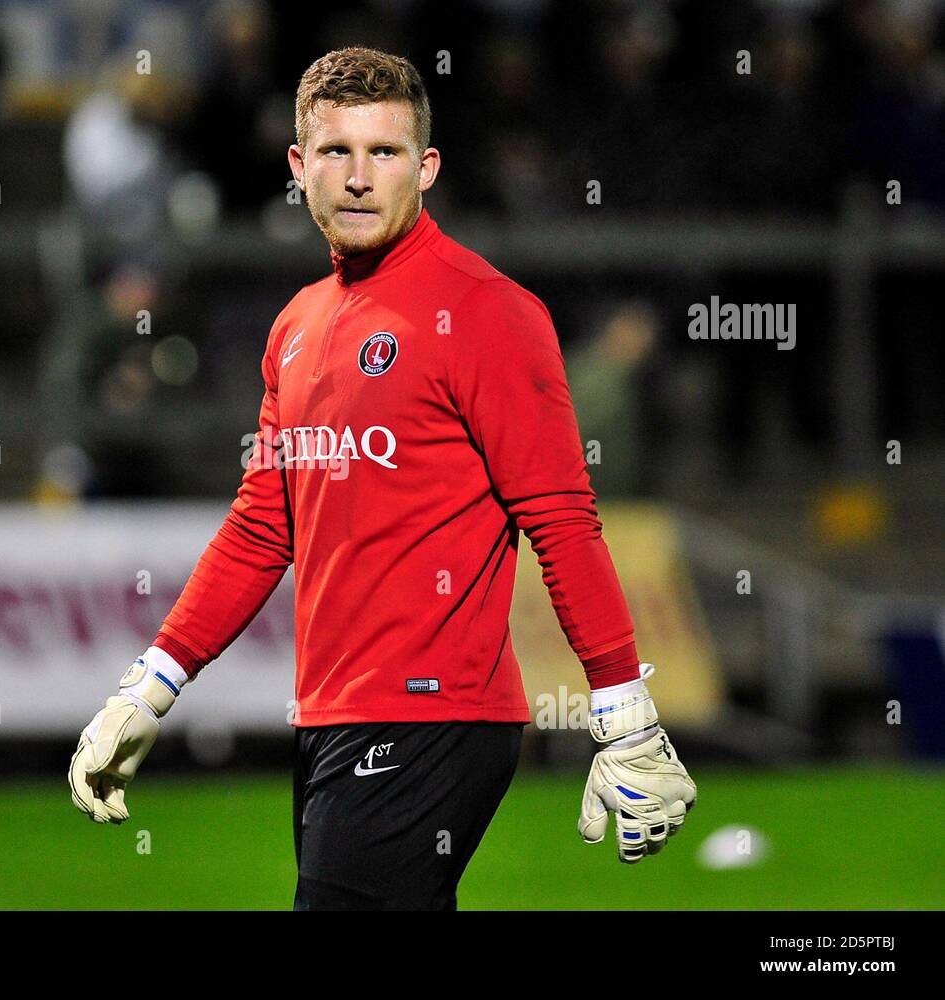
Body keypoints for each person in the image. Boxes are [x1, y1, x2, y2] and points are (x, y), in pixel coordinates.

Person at [68, 47, 697, 910]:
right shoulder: (297, 325)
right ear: (298, 167)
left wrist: (624, 714)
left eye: (385, 152)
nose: (359, 178)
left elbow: (560, 519)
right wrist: (150, 687)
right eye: (336, 153)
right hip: (332, 715)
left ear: (426, 167)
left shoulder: (489, 312)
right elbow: (262, 526)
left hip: (437, 715)